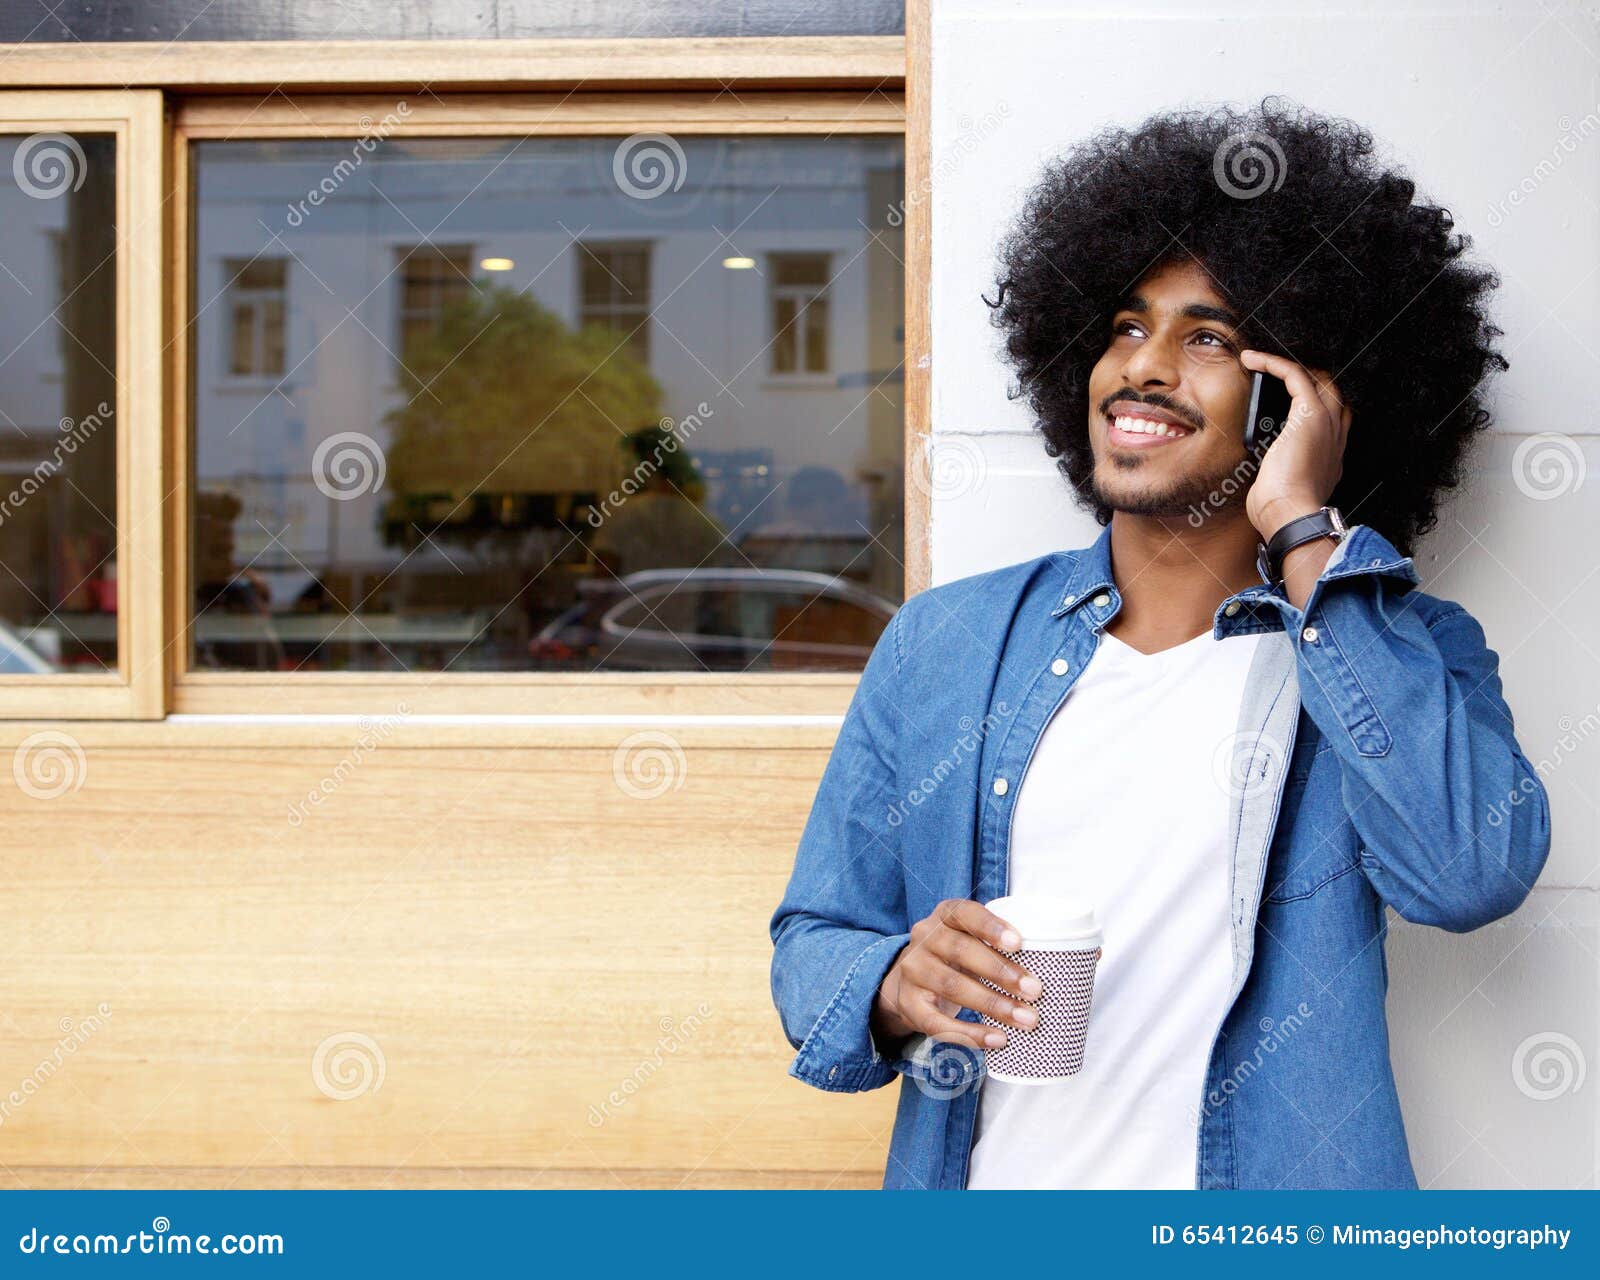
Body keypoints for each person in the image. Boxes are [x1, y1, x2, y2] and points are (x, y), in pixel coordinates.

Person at [767, 97, 1552, 1190]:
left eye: (1209, 338)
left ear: (1303, 398)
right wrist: (893, 980)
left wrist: (1303, 530)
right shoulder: (945, 642)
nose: (1142, 366)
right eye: (1125, 326)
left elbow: (1466, 871)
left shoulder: (1395, 645)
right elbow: (813, 937)